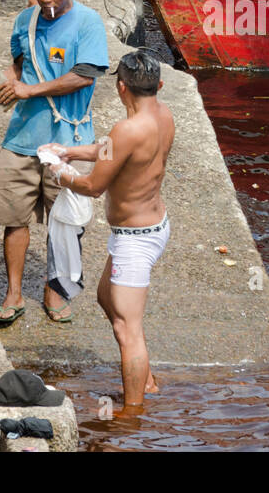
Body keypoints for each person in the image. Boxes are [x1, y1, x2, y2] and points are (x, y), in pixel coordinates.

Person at [0, 0, 109, 325]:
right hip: (22, 137)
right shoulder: (24, 21)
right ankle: (13, 293)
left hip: (68, 140)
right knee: (13, 218)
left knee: (66, 222)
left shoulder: (88, 24)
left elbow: (83, 76)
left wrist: (30, 91)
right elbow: (17, 65)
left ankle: (55, 289)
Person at [44, 49, 176, 415]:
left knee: (126, 329)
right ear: (159, 85)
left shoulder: (127, 129)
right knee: (107, 298)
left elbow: (91, 187)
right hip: (150, 227)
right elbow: (112, 152)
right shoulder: (163, 115)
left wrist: (58, 172)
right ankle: (145, 379)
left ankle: (133, 413)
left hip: (137, 240)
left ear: (120, 88)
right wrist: (70, 151)